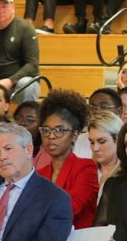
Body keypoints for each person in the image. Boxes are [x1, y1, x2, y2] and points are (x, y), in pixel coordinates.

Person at [34, 89, 98, 229]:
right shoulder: (39, 174)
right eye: (46, 130)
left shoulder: (86, 168)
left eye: (59, 130)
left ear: (74, 135)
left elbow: (69, 209)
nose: (51, 136)